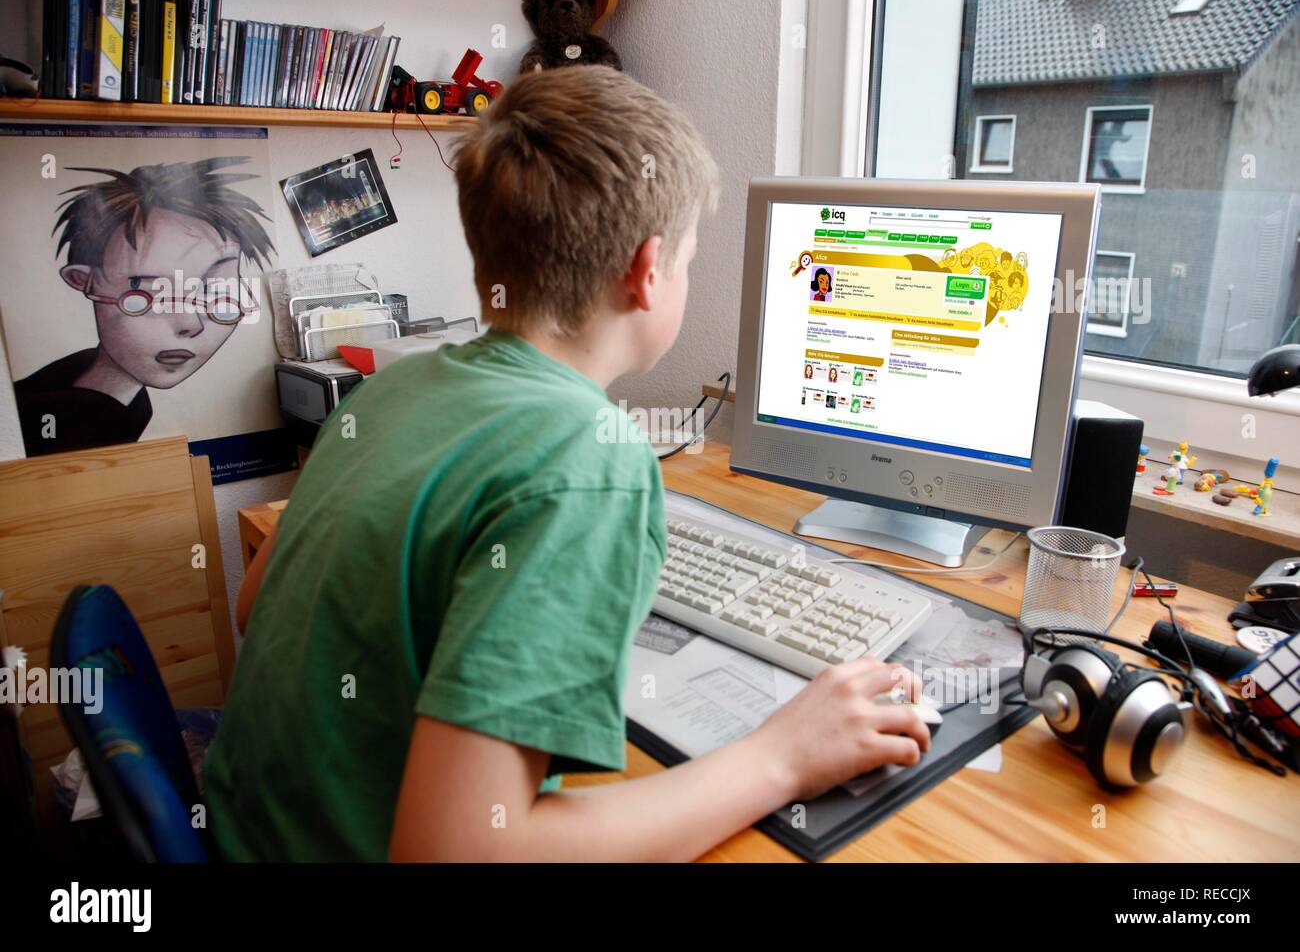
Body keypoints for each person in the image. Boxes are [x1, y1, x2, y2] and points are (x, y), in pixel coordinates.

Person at [205, 66, 930, 863]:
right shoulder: (591, 463)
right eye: (689, 257)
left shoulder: (395, 386)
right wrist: (781, 757)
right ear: (648, 270)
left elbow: (254, 605)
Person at [14, 158, 273, 456]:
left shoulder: (117, 400)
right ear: (84, 281)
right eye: (149, 294)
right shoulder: (57, 417)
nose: (191, 322)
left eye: (215, 289)